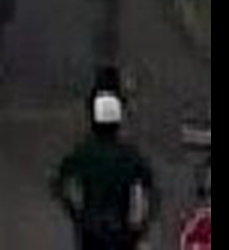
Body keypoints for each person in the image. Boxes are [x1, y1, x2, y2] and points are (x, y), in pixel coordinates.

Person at [50, 91, 160, 250]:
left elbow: (60, 185)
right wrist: (140, 228)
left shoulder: (83, 153)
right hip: (122, 233)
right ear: (118, 121)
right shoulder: (130, 155)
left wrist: (77, 214)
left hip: (90, 232)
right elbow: (150, 193)